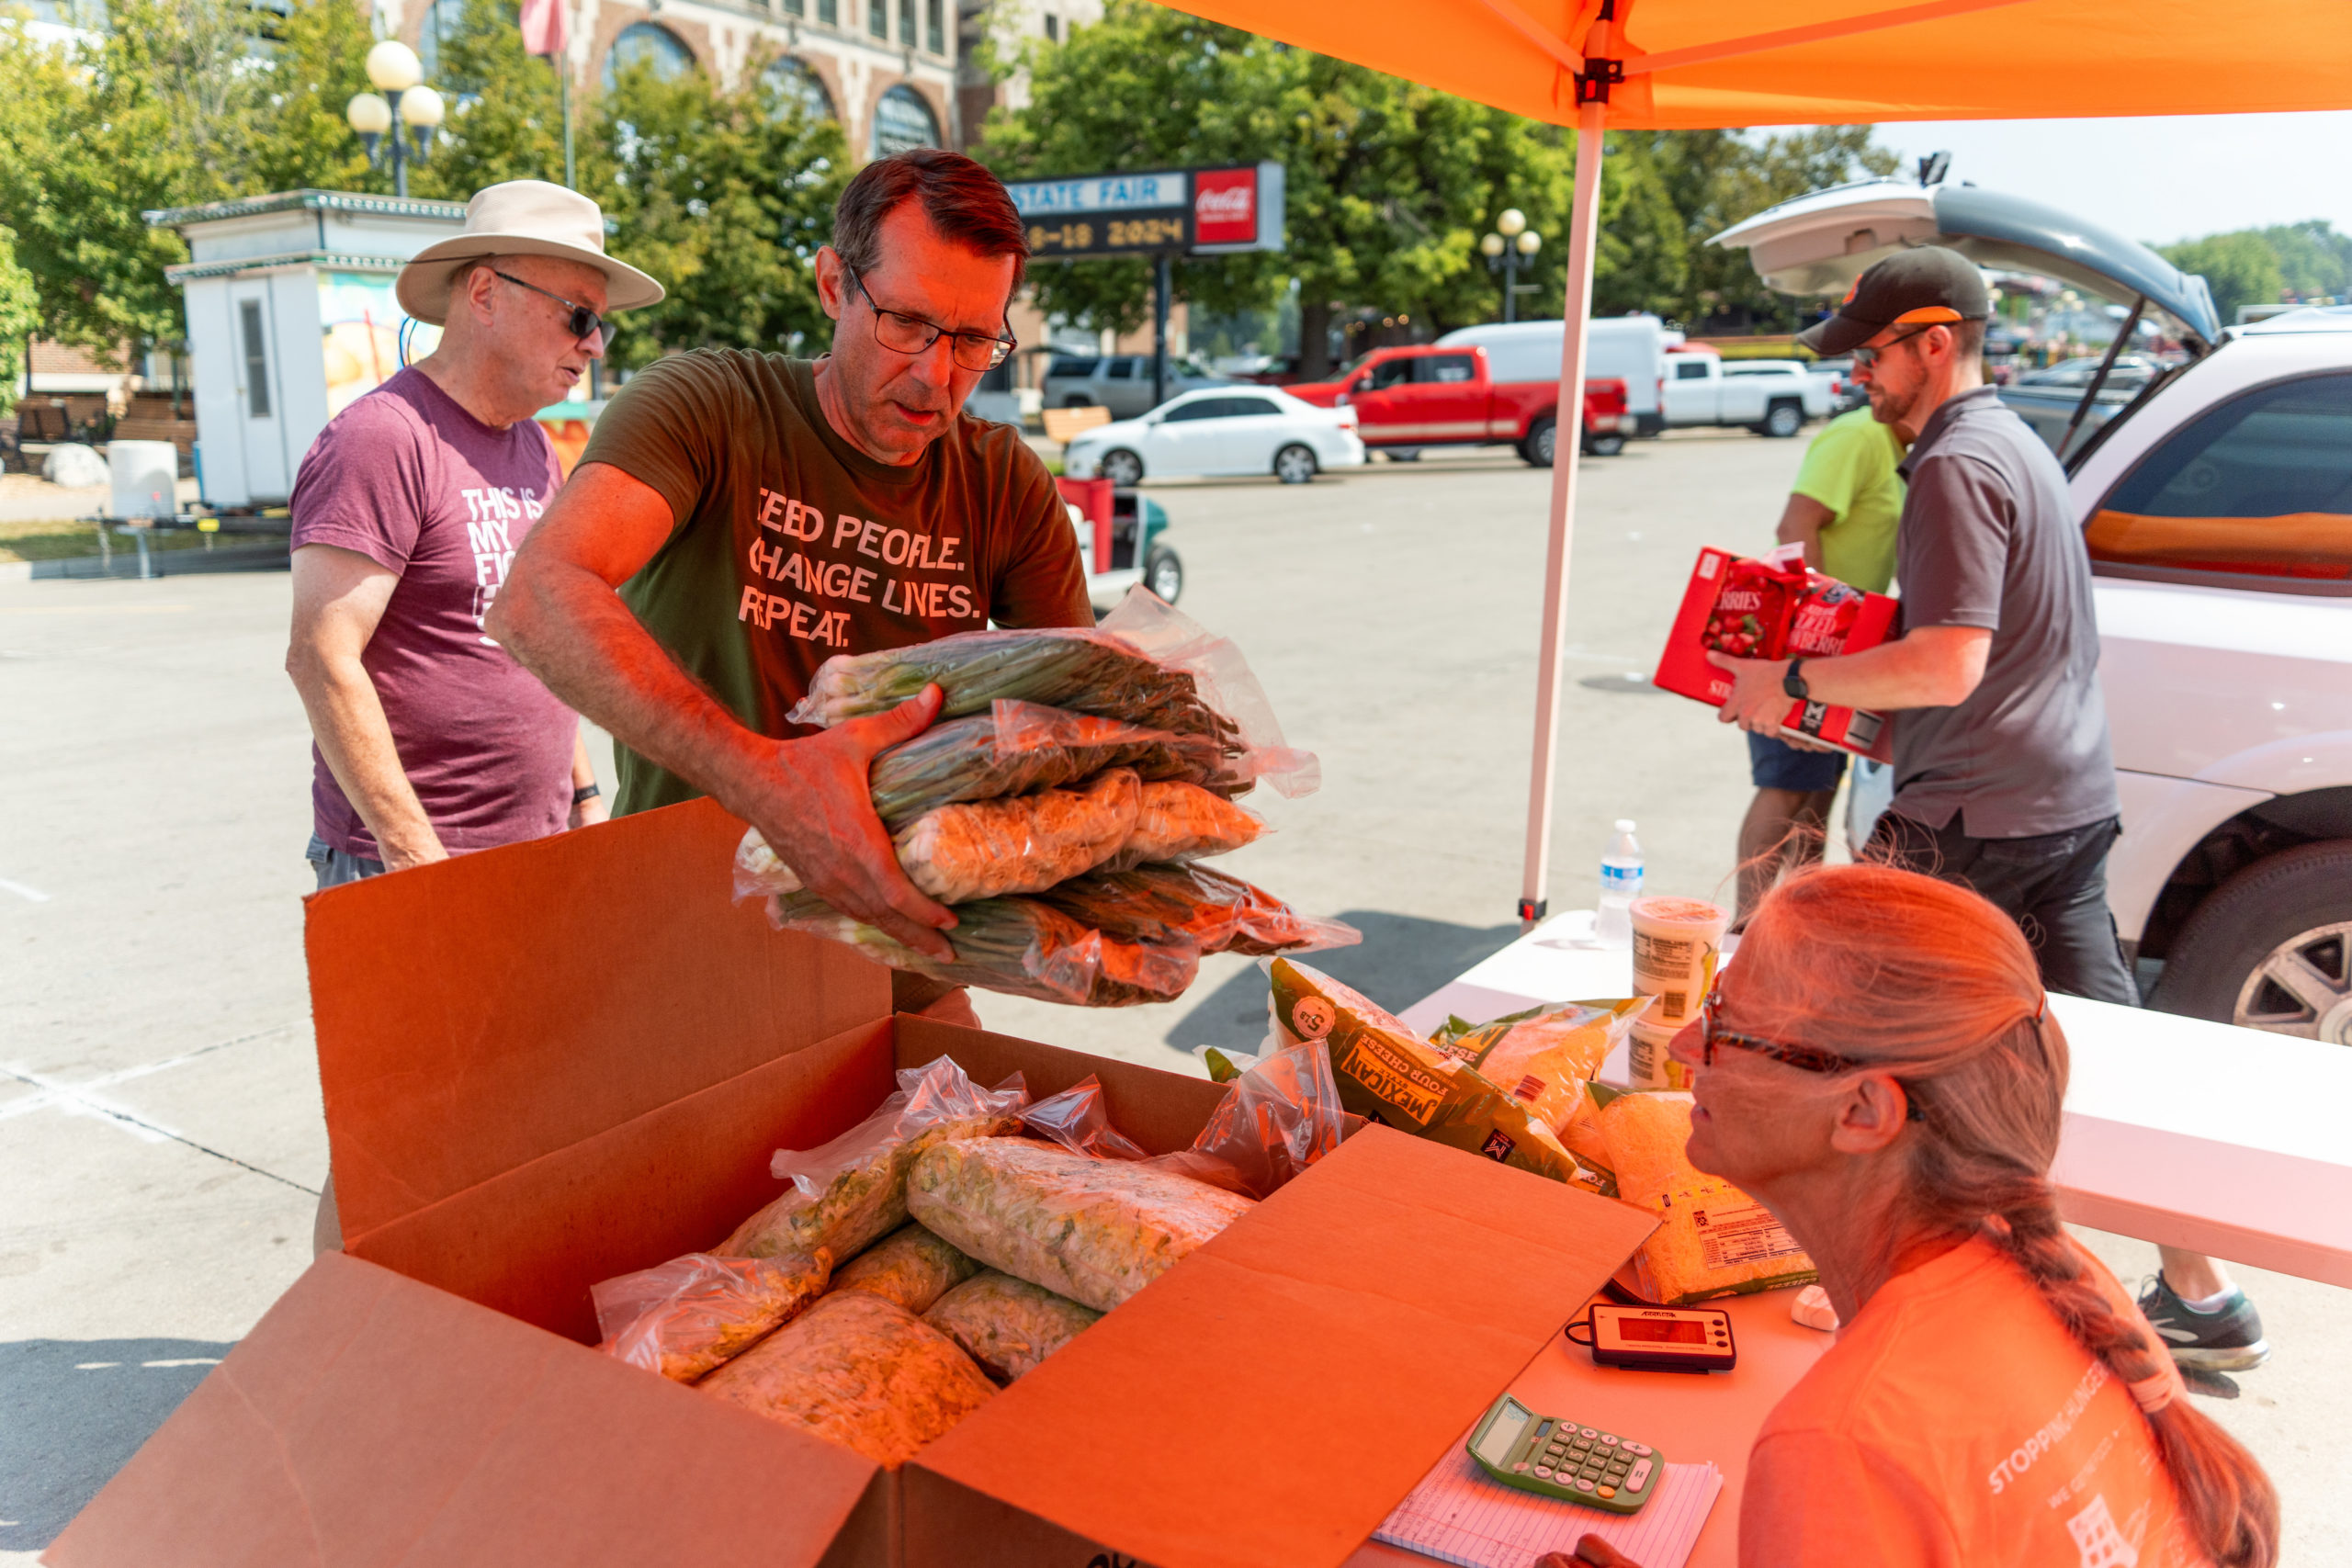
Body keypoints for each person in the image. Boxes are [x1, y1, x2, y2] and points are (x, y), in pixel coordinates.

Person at [1707, 246, 2267, 1374]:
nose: (1859, 374)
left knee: (1842, 1039)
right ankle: (2202, 1295)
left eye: (1870, 352)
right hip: (2063, 793)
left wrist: (1795, 686)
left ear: (1933, 342)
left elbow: (1951, 663)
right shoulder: (2018, 441)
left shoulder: (1956, 462)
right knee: (2095, 1054)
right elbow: (1989, 642)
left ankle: (1867, 1288)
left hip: (1971, 816)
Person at [487, 150, 1089, 1021]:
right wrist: (768, 784)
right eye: (908, 324)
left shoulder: (1005, 484)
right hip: (685, 957)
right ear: (833, 284)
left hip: (905, 973)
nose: (936, 375)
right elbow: (538, 596)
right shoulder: (711, 407)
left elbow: (1071, 730)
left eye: (972, 341)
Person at [1545, 863, 2278, 1568]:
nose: (1682, 1047)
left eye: (1722, 1021)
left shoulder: (1841, 1442)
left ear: (1863, 1112)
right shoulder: (2061, 1274)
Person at [285, 180, 664, 886]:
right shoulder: (384, 438)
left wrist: (583, 795)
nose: (594, 345)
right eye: (579, 315)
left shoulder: (533, 446)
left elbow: (540, 635)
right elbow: (320, 659)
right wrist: (413, 855)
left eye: (601, 325)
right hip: (409, 861)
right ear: (485, 293)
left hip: (537, 845)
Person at [1732, 404, 1907, 926]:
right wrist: (1814, 640)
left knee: (1821, 784)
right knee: (1786, 784)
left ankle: (1799, 924)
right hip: (1799, 641)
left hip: (1842, 649)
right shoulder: (1860, 435)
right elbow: (1795, 525)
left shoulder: (1897, 449)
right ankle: (1746, 927)